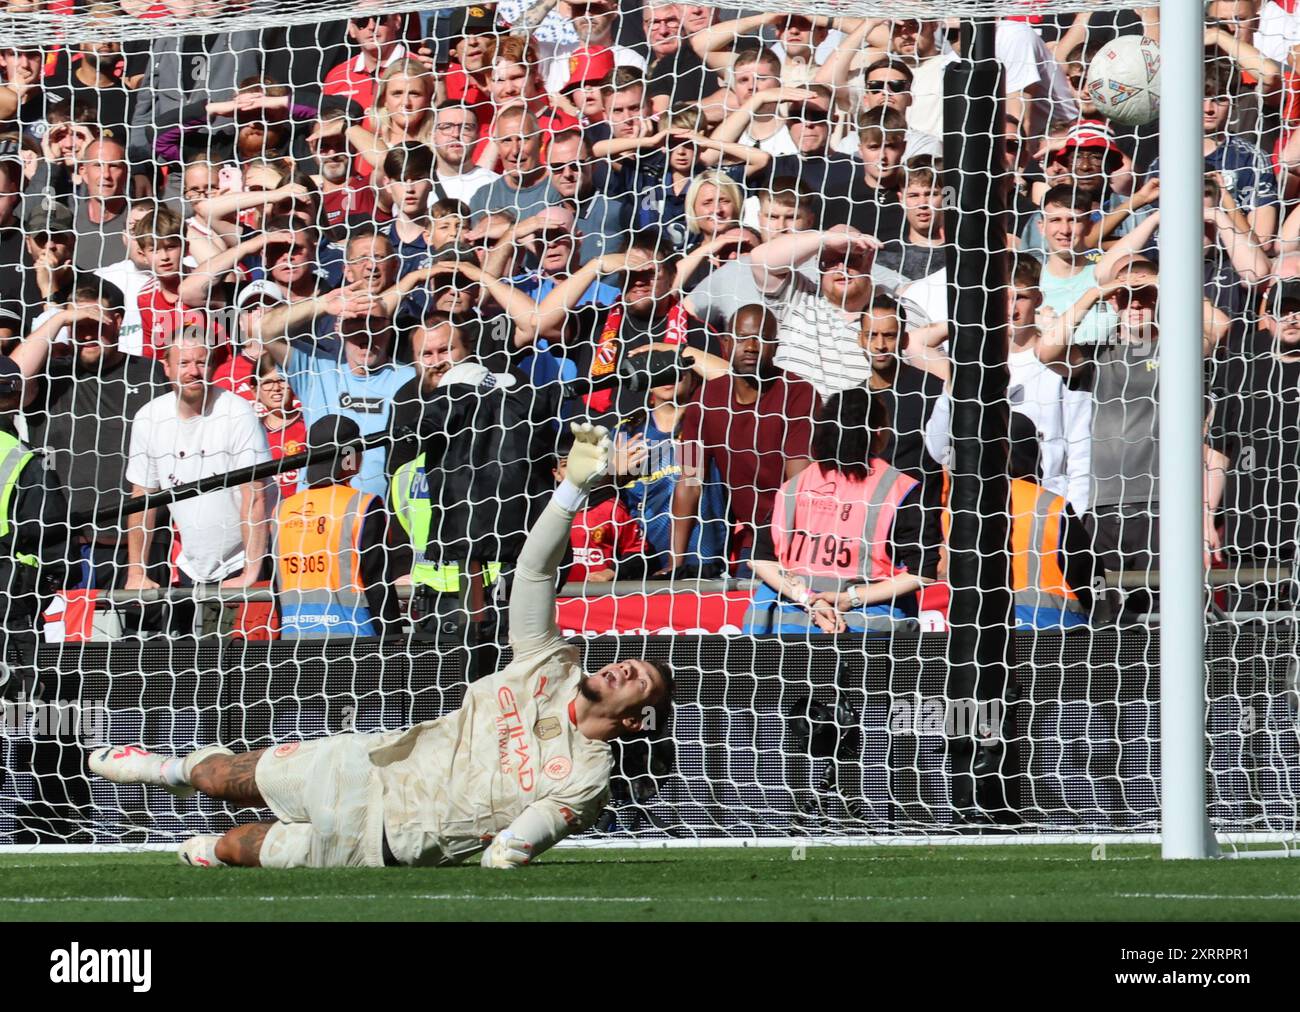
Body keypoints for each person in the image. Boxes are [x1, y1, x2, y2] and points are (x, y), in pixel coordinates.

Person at [89, 423, 675, 870]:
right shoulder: (550, 664)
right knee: (225, 777)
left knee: (241, 849)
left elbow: (521, 841)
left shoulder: (586, 776)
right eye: (632, 663)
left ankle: (215, 851)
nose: (626, 667)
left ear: (632, 722)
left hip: (384, 837)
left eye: (640, 680)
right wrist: (571, 490)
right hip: (367, 764)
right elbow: (532, 573)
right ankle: (165, 769)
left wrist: (516, 845)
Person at [13, 278, 170, 591]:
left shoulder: (149, 373)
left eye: (95, 322)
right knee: (71, 640)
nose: (86, 333)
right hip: (68, 546)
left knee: (146, 638)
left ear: (118, 321)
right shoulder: (52, 376)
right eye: (78, 323)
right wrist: (59, 318)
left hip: (141, 543)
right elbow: (10, 376)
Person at [744, 387, 940, 634]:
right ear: (879, 432)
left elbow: (760, 560)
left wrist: (808, 598)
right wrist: (851, 598)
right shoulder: (898, 488)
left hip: (788, 627)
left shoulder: (795, 485)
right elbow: (922, 572)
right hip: (866, 630)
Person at [124, 329, 272, 594]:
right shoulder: (149, 418)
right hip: (190, 565)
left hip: (249, 559)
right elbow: (141, 499)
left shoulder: (237, 413)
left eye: (201, 362)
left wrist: (251, 571)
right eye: (183, 363)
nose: (193, 371)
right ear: (166, 367)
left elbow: (255, 495)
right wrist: (137, 572)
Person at [673, 304, 816, 572]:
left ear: (775, 347)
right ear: (726, 343)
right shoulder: (704, 400)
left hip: (799, 538)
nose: (750, 346)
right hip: (750, 540)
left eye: (761, 338)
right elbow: (688, 480)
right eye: (742, 337)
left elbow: (800, 484)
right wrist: (674, 563)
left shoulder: (799, 394)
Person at [275, 414, 399, 639]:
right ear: (349, 456)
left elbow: (278, 586)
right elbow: (378, 583)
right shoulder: (363, 505)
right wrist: (393, 638)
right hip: (355, 640)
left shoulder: (282, 510)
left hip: (295, 639)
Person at [0, 354, 75, 700]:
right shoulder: (24, 458)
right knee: (20, 704)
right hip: (11, 602)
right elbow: (54, 537)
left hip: (12, 595)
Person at [749, 224, 879, 397]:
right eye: (831, 261)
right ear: (819, 265)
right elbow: (759, 260)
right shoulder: (798, 296)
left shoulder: (893, 311)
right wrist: (825, 240)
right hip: (795, 417)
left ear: (868, 261)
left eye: (850, 259)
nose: (841, 268)